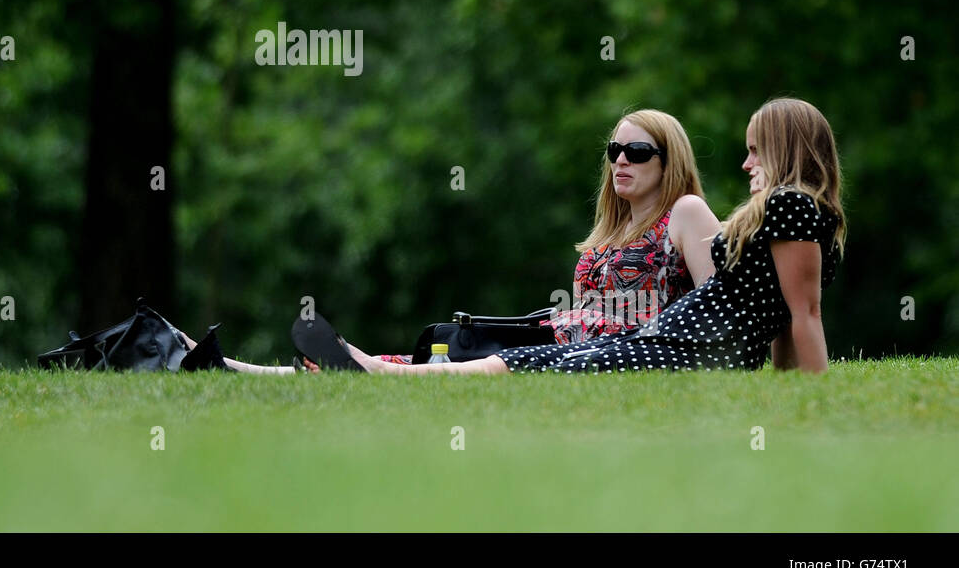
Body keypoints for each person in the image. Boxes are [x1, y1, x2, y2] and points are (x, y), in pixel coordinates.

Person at [329, 97, 845, 375]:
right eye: (615, 151)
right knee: (478, 350)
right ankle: (358, 364)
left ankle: (378, 371)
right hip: (614, 333)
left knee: (518, 362)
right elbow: (778, 311)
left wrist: (810, 395)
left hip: (668, 339)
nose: (746, 162)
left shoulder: (750, 208)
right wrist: (785, 387)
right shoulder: (786, 212)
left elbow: (797, 312)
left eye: (638, 152)